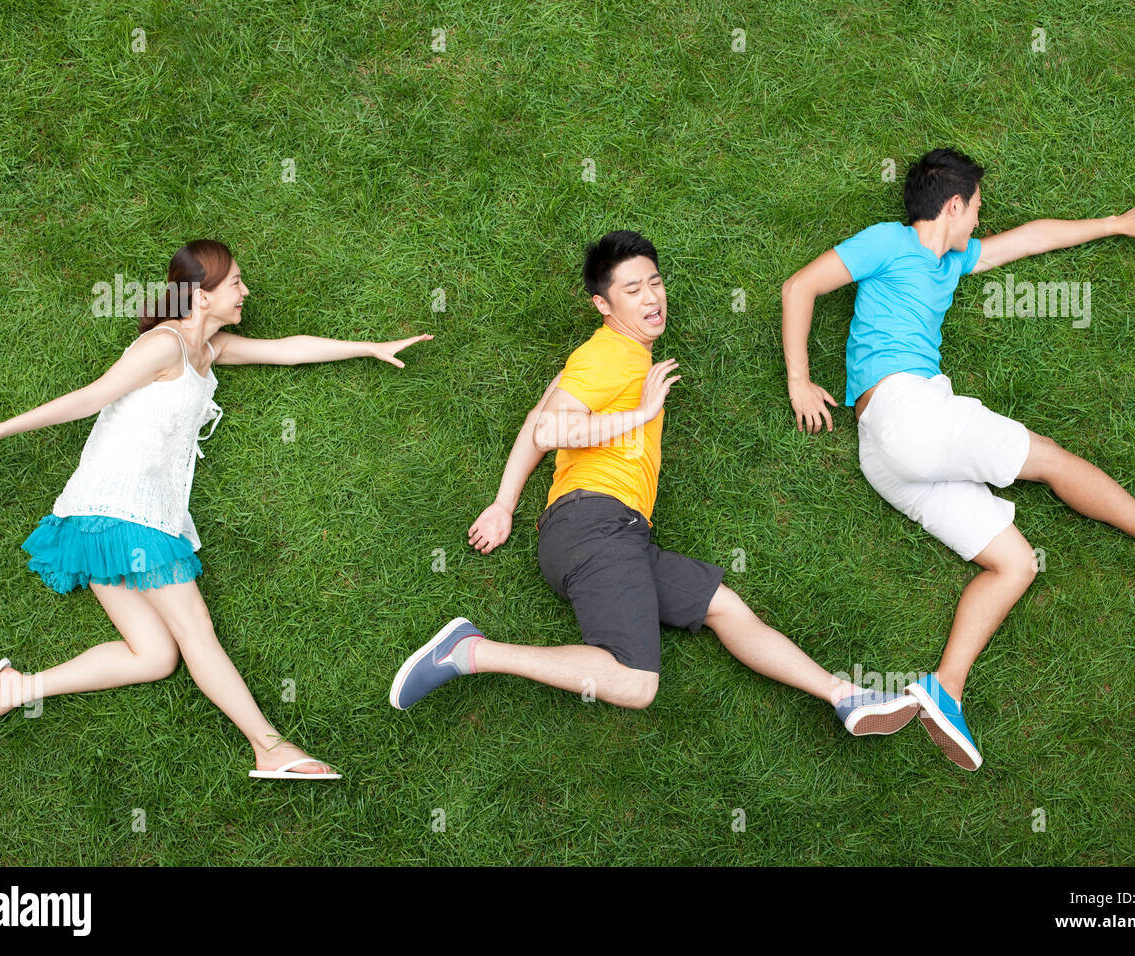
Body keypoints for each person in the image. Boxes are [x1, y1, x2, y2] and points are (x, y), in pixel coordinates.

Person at [780, 148, 1135, 770]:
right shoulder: (889, 242)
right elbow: (800, 285)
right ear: (954, 204)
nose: (979, 223)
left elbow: (1026, 241)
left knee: (1015, 563)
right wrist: (800, 380)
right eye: (976, 209)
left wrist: (1112, 224)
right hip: (910, 410)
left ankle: (945, 689)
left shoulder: (952, 260)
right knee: (1052, 460)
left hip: (884, 458)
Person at [390, 230, 917, 737]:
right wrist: (640, 412)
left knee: (723, 606)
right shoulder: (608, 354)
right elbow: (550, 429)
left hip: (609, 531)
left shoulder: (607, 355)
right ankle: (470, 652)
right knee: (637, 683)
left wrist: (504, 504)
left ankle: (843, 695)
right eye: (633, 289)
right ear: (604, 304)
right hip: (594, 522)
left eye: (655, 283)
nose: (651, 298)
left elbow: (536, 418)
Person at [0, 239, 431, 779]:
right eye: (234, 284)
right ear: (200, 295)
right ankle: (269, 747)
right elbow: (90, 397)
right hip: (117, 512)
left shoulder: (209, 349)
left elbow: (287, 348)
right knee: (196, 625)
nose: (245, 292)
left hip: (125, 514)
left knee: (155, 657)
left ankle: (17, 688)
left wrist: (368, 347)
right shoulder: (164, 346)